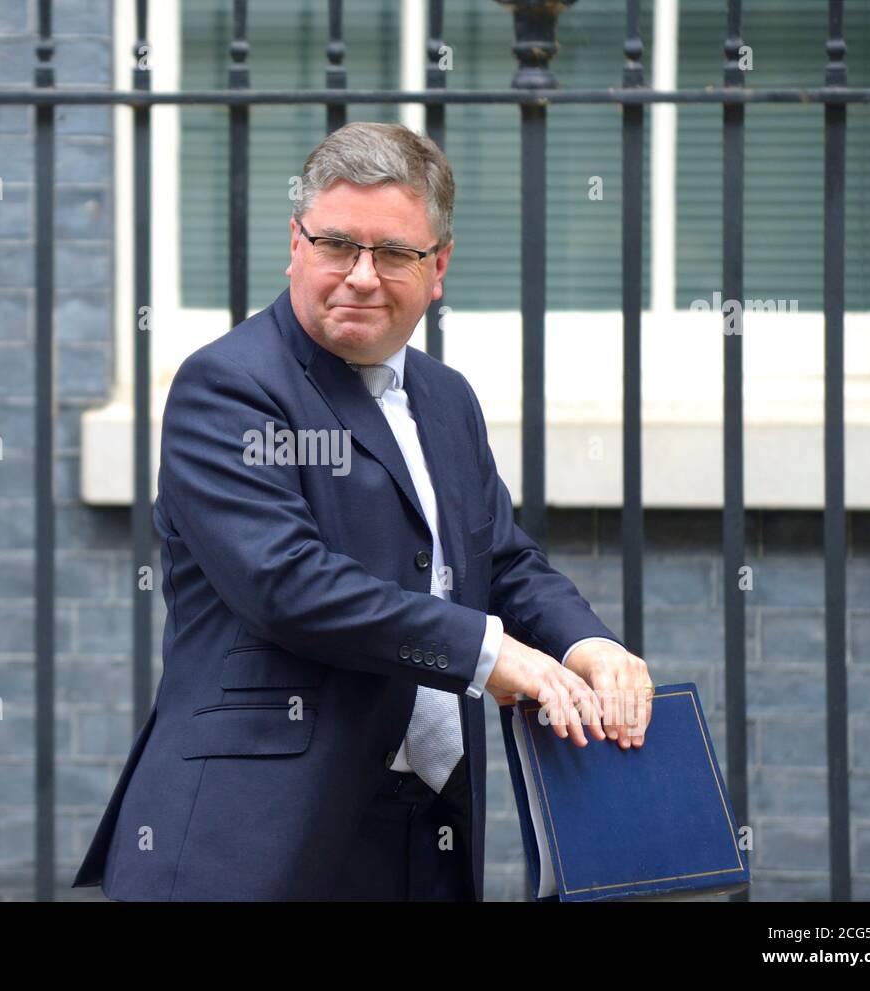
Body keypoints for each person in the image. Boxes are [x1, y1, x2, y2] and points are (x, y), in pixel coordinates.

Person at [73, 121, 653, 901]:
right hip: (254, 841)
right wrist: (488, 654)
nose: (360, 276)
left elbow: (500, 559)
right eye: (338, 244)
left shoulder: (447, 399)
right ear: (296, 243)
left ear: (438, 265)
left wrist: (589, 645)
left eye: (394, 254)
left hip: (429, 829)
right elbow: (288, 583)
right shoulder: (231, 387)